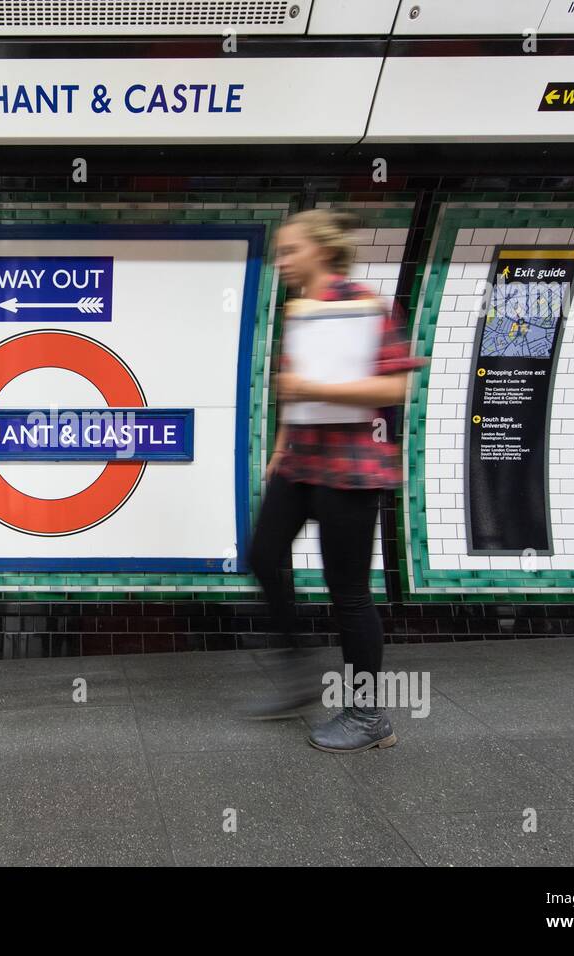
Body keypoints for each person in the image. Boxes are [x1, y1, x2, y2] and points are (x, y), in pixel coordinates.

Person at [244, 209, 425, 753]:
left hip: (351, 466)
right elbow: (291, 389)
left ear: (320, 250)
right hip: (301, 462)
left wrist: (311, 384)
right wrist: (280, 445)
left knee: (347, 592)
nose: (282, 261)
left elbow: (391, 392)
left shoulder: (368, 307)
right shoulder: (299, 310)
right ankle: (300, 674)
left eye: (290, 250)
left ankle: (369, 716)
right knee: (263, 555)